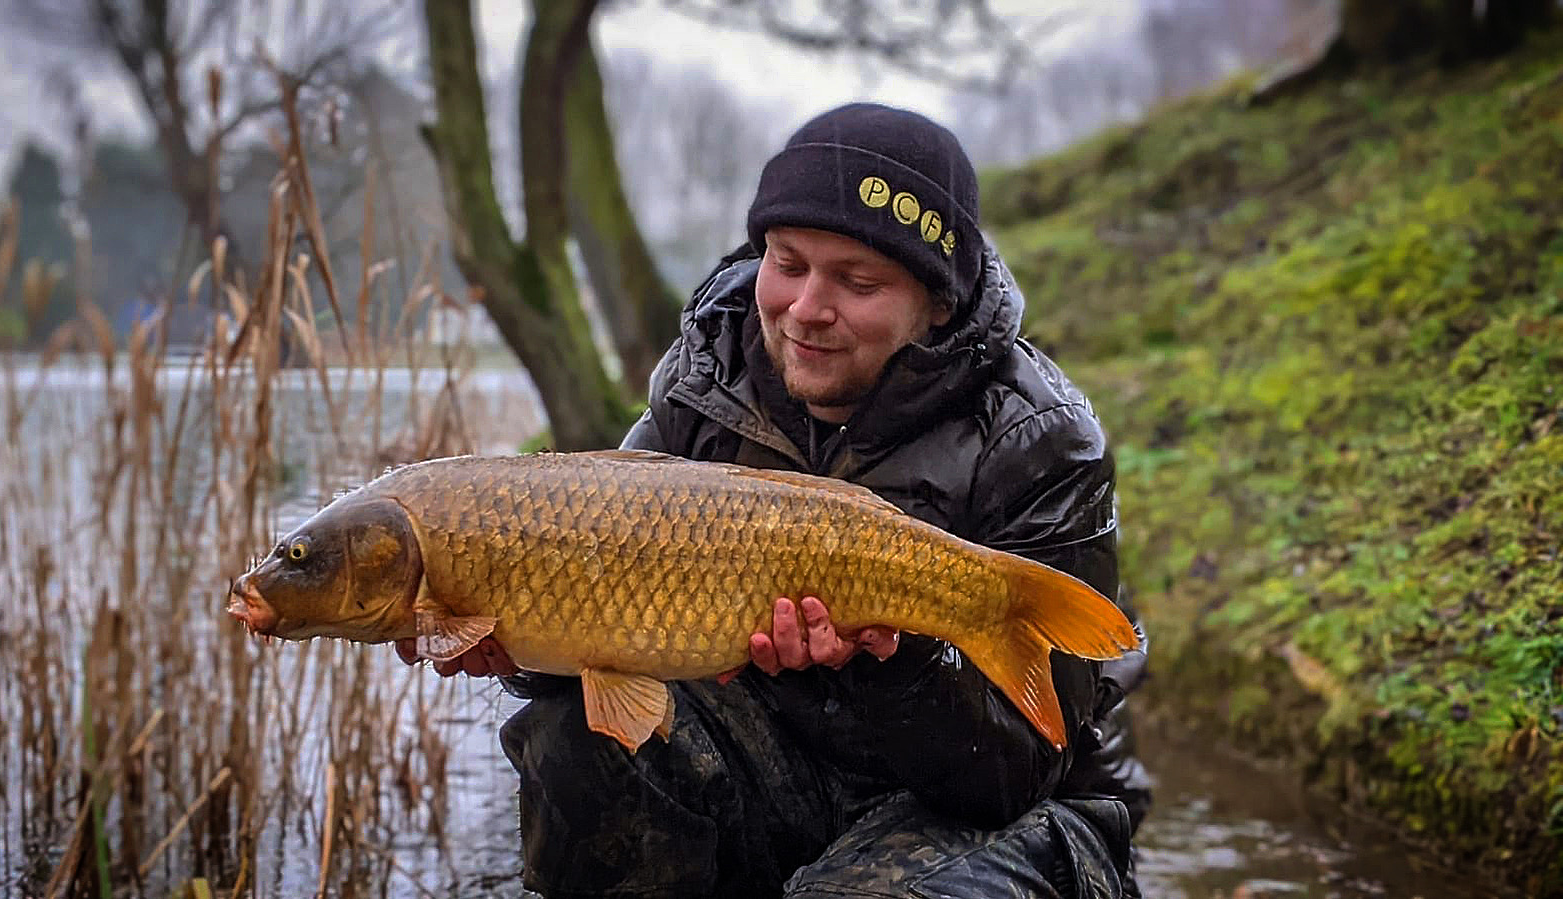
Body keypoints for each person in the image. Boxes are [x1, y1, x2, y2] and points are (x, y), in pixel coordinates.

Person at [397, 102, 1152, 898]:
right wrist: (511, 638)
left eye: (856, 281)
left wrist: (890, 659)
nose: (805, 308)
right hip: (790, 759)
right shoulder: (704, 382)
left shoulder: (1039, 439)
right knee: (576, 739)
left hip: (1022, 803)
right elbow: (603, 640)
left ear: (936, 300)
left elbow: (1017, 773)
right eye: (787, 263)